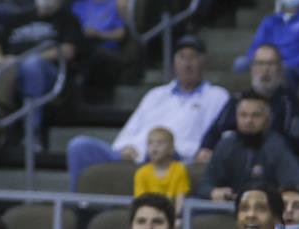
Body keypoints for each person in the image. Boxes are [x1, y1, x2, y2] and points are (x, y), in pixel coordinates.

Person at [66, 37, 230, 190]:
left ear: (203, 61)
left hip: (176, 158)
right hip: (136, 154)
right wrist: (126, 147)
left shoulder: (217, 96)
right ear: (174, 62)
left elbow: (216, 138)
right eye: (182, 57)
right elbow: (130, 130)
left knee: (157, 153)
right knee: (79, 146)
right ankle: (80, 208)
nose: (187, 64)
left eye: (192, 58)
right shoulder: (156, 94)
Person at [1, 0, 86, 146]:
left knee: (32, 66)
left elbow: (67, 50)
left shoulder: (68, 19)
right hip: (8, 65)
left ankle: (32, 135)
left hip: (49, 73)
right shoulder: (18, 18)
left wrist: (22, 60)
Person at [200, 45, 299, 159]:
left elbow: (296, 145)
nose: (265, 69)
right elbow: (213, 134)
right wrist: (206, 149)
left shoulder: (291, 104)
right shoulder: (238, 99)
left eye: (270, 64)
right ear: (252, 68)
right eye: (260, 64)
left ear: (280, 68)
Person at [198, 93, 299, 203]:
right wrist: (213, 192)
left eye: (255, 115)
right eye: (243, 115)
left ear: (268, 119)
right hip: (229, 209)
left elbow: (294, 184)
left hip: (267, 210)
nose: (248, 120)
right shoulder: (226, 145)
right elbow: (204, 185)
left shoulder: (277, 145)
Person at [134, 126, 189, 206]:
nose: (154, 146)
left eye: (160, 143)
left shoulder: (179, 169)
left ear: (171, 148)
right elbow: (140, 201)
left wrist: (177, 216)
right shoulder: (141, 172)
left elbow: (180, 197)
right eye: (150, 143)